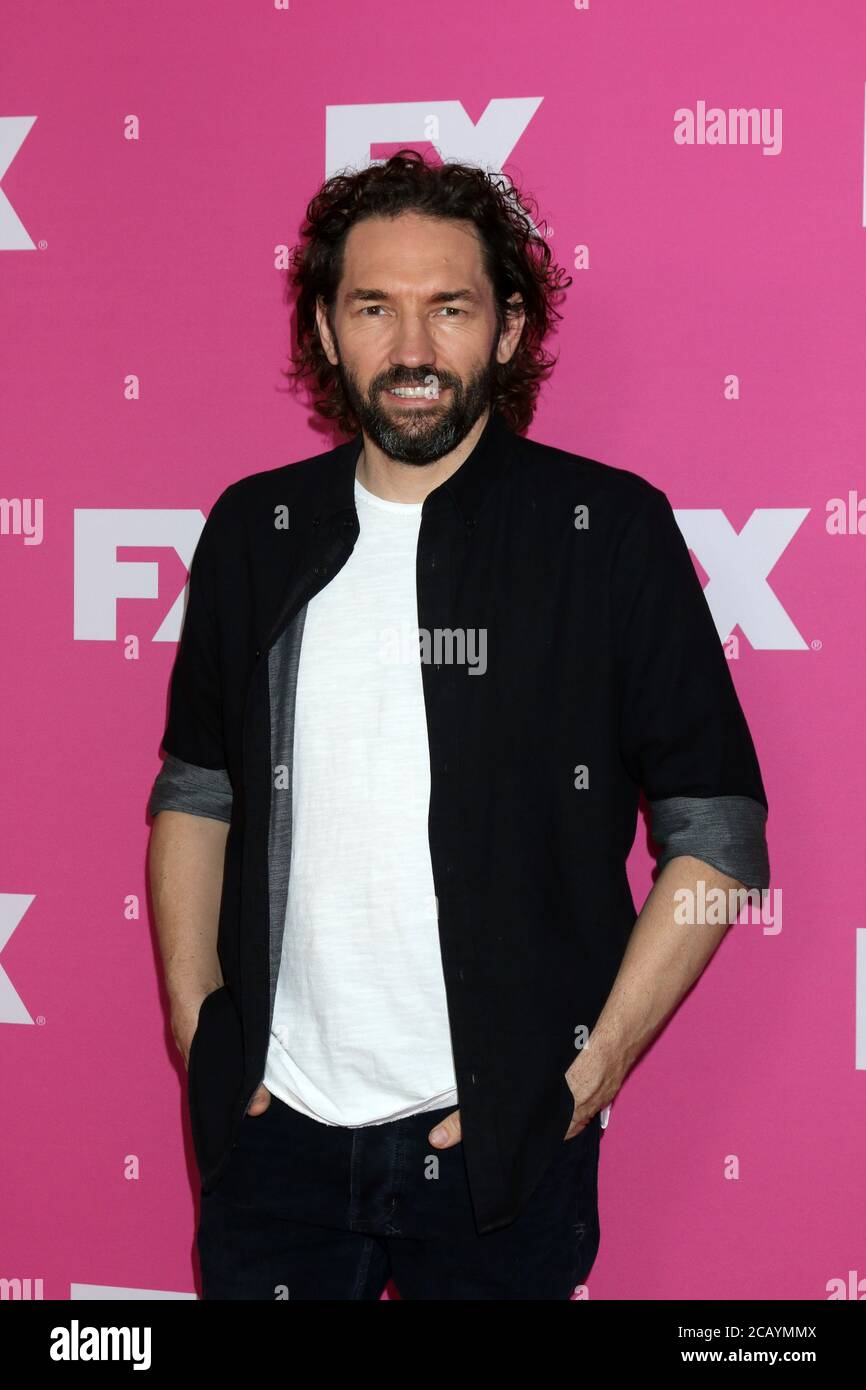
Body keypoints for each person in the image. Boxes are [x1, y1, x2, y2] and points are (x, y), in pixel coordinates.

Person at [147, 149, 770, 1300]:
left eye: (450, 307)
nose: (414, 350)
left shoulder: (606, 533)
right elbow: (197, 790)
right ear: (327, 332)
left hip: (501, 1147)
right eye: (374, 307)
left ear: (509, 327)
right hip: (275, 1138)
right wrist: (203, 1032)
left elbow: (717, 831)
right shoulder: (254, 531)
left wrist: (586, 1076)